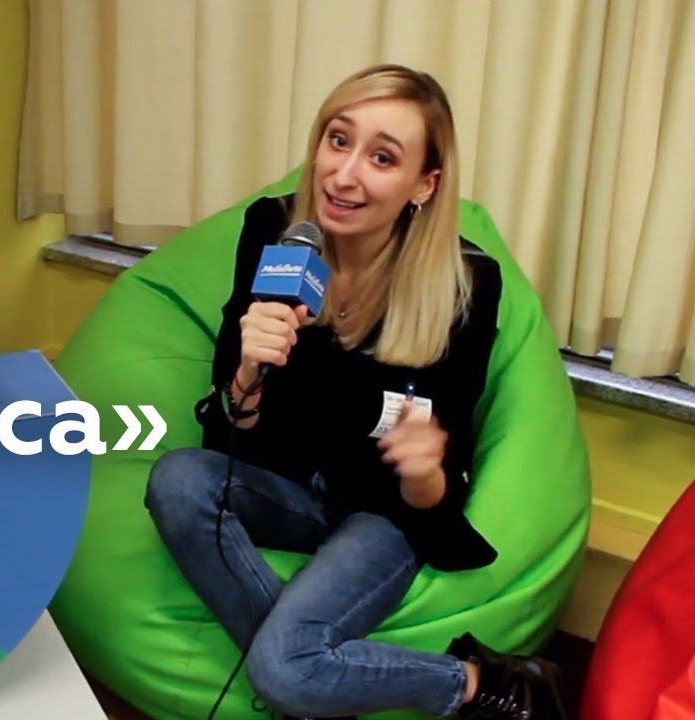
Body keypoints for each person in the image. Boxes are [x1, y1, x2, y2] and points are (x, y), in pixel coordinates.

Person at [144, 64, 568, 719]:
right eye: (337, 140)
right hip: (286, 484)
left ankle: (482, 684)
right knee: (177, 480)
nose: (343, 175)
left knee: (284, 668)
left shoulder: (465, 282)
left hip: (383, 510)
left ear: (424, 184)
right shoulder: (275, 230)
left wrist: (423, 469)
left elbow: (435, 492)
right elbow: (229, 433)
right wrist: (248, 372)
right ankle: (298, 673)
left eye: (382, 157)